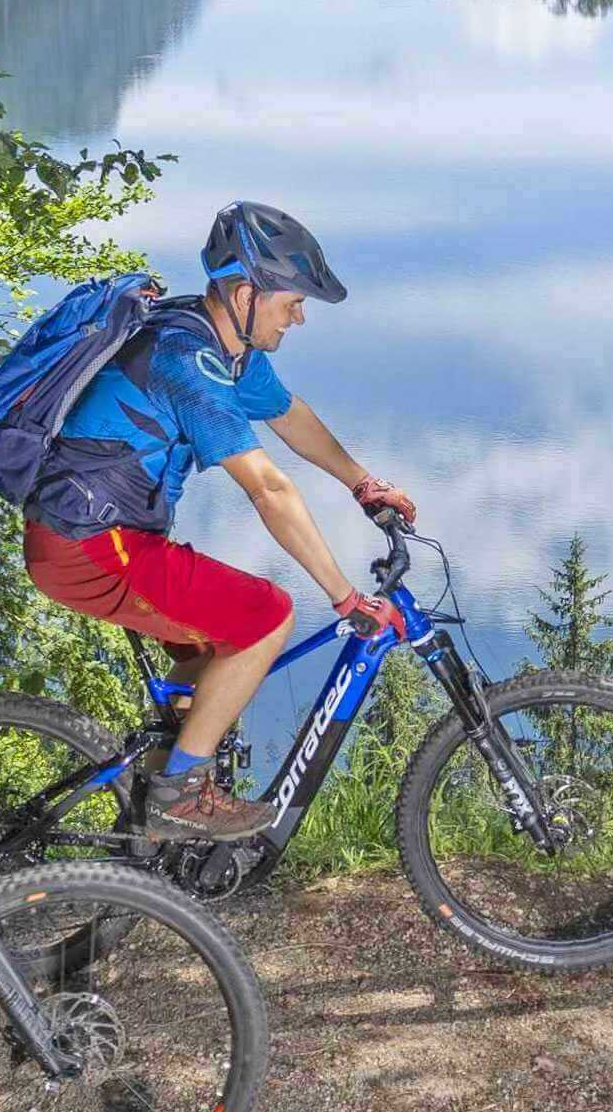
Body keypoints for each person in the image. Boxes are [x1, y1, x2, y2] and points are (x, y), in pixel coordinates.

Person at [21, 201, 415, 841]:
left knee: (211, 642)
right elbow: (266, 487)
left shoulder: (225, 349)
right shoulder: (186, 360)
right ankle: (178, 793)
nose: (300, 315)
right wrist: (343, 598)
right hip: (90, 544)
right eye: (291, 301)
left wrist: (362, 484)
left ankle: (154, 790)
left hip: (99, 538)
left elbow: (289, 415)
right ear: (245, 293)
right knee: (263, 616)